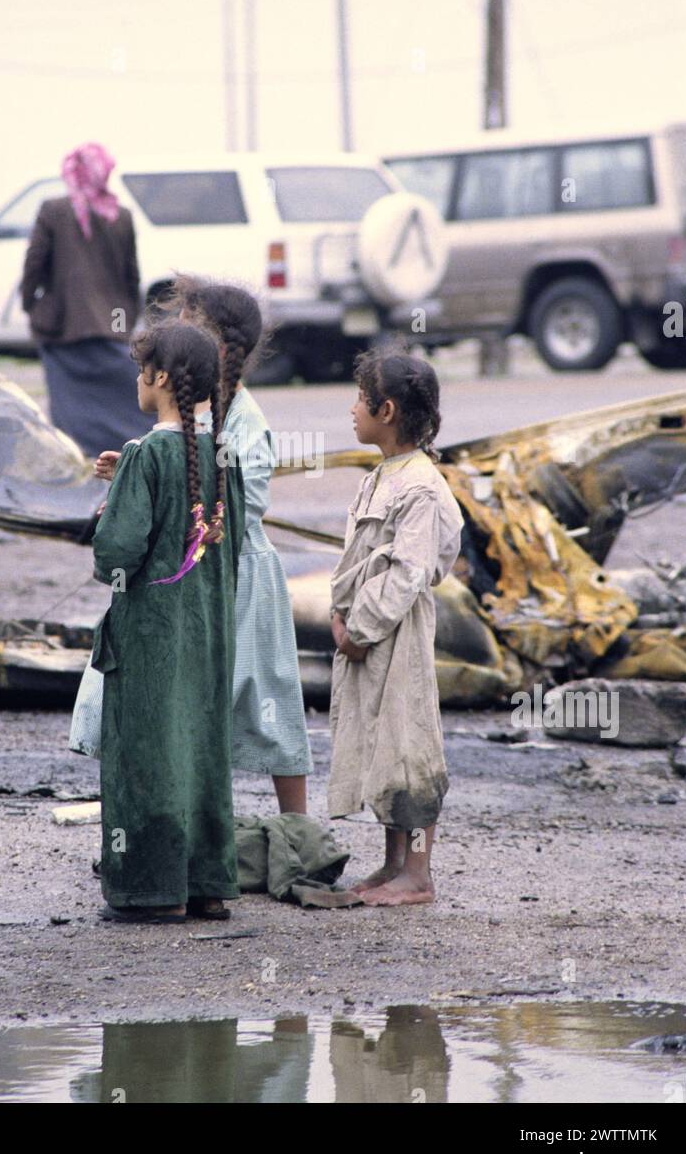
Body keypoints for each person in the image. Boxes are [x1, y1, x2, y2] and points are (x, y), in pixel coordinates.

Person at [95, 277, 314, 813]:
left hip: (235, 576)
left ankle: (297, 835)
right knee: (179, 701)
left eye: (185, 328)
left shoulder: (243, 420)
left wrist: (144, 503)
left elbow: (240, 505)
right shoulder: (190, 413)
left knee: (264, 698)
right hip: (190, 572)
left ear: (212, 349)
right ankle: (180, 829)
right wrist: (132, 481)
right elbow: (183, 482)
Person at [92, 318, 244, 923]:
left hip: (151, 636)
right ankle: (206, 886)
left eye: (140, 369)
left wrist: (114, 504)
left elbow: (116, 554)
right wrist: (125, 480)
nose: (136, 379)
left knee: (148, 753)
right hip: (207, 632)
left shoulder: (147, 452)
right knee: (202, 748)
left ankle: (151, 888)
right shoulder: (220, 454)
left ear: (158, 378)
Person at [328, 345, 463, 907]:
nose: (351, 410)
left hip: (394, 633)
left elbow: (407, 574)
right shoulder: (381, 475)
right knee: (380, 745)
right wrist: (343, 618)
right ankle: (391, 863)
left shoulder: (421, 488)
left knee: (408, 745)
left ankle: (419, 874)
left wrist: (358, 630)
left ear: (385, 411)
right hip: (365, 633)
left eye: (360, 400)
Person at [20, 142, 150, 455]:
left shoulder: (52, 210)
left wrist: (31, 305)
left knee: (70, 404)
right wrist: (125, 321)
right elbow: (131, 276)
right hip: (111, 323)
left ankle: (77, 457)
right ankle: (132, 450)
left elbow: (34, 264)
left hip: (62, 326)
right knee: (120, 398)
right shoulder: (121, 215)